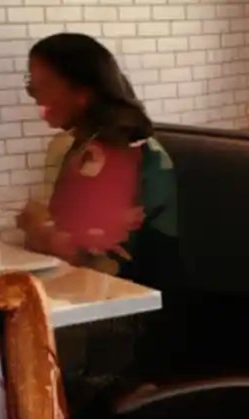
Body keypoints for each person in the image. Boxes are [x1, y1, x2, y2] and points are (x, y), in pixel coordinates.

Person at [19, 33, 177, 289]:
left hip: (131, 305)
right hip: (103, 292)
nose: (33, 95)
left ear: (83, 92)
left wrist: (37, 228)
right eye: (30, 83)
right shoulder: (84, 144)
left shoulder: (119, 150)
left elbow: (84, 254)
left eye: (43, 84)